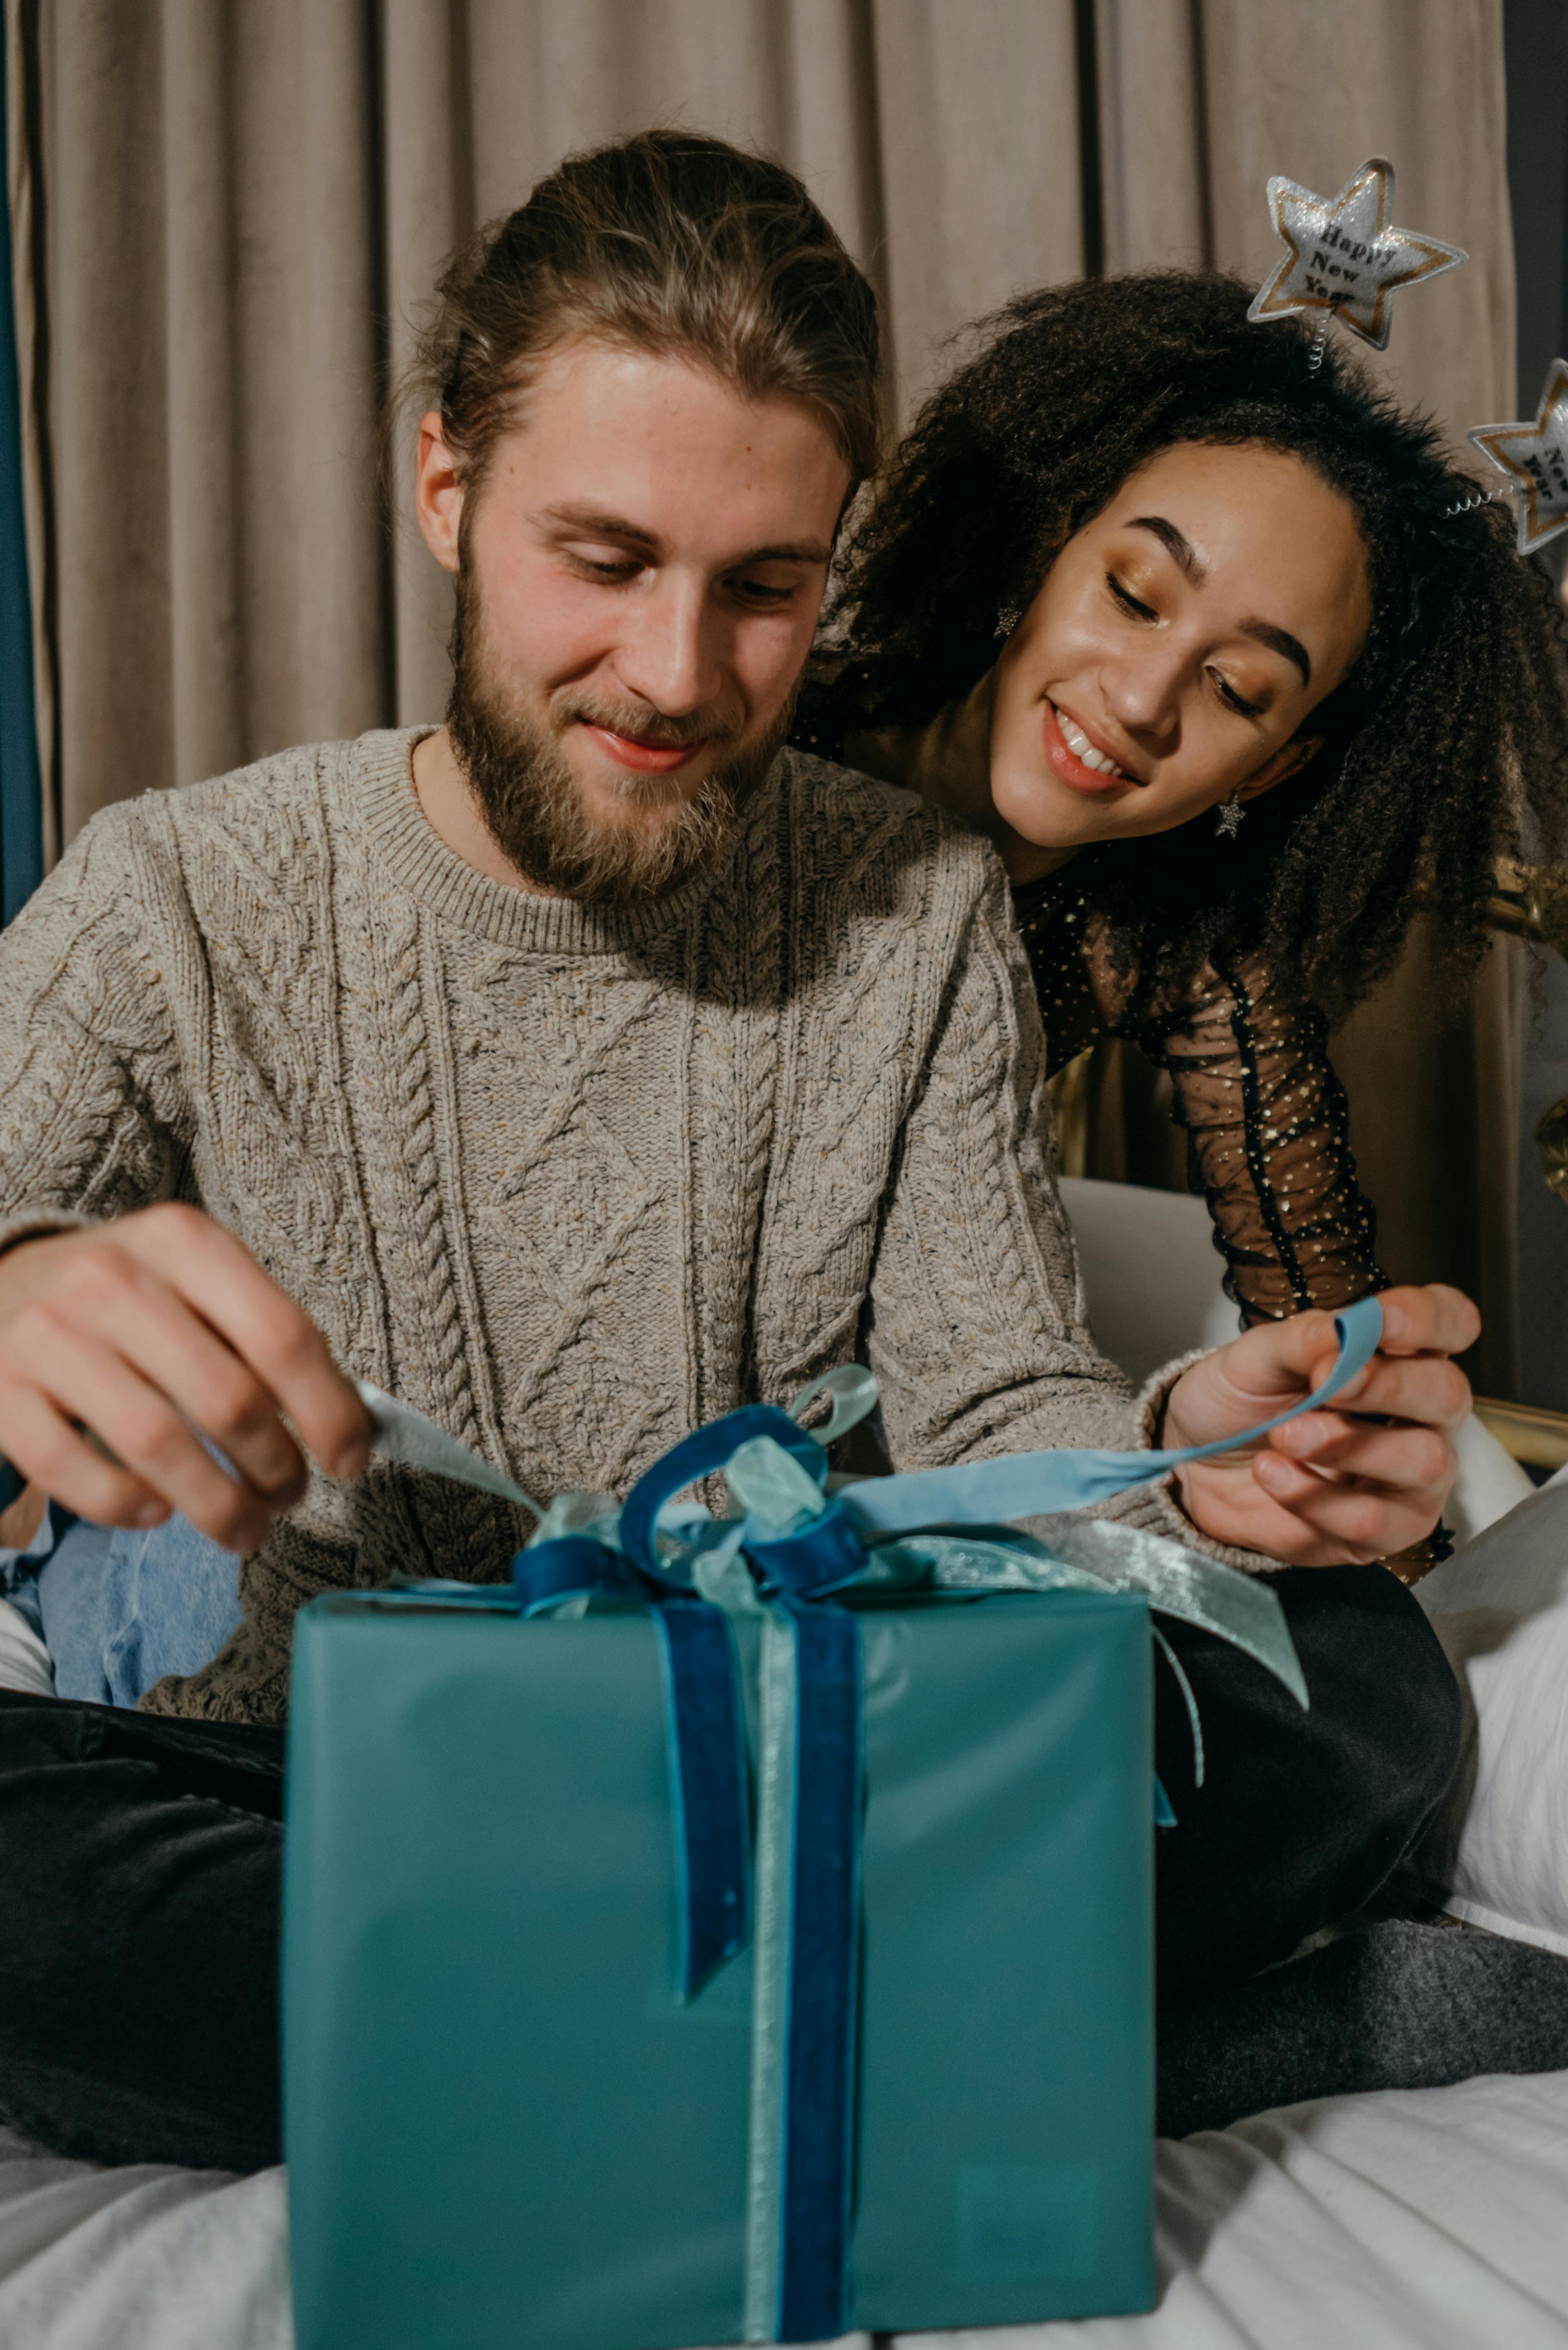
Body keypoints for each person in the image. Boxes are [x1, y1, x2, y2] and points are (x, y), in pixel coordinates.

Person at [0, 134, 1473, 2170]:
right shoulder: (175, 886)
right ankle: (915, 2031)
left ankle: (547, 2061)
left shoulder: (920, 904)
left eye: (765, 587)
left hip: (776, 1769)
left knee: (1357, 1676)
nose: (679, 675)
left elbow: (989, 1410)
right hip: (312, 1799)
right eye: (601, 561)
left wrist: (1170, 1461)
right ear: (444, 485)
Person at [797, 273, 1568, 1400]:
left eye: (1238, 688)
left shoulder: (1173, 944)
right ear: (1046, 546)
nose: (1144, 699)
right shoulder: (752, 748)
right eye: (1132, 592)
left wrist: (1352, 1481)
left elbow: (1316, 1328)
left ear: (1276, 761)